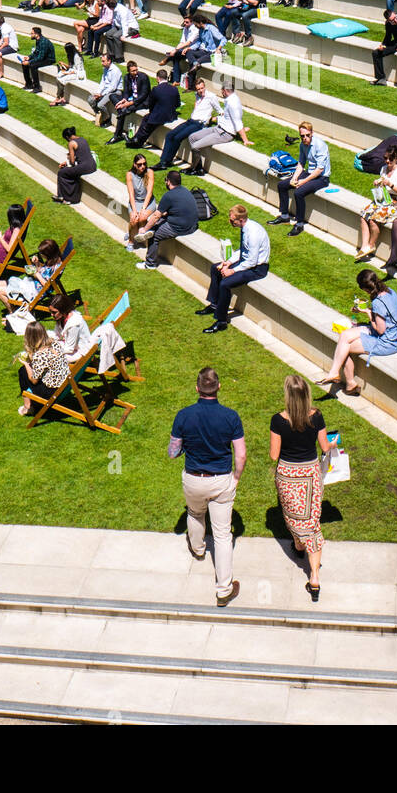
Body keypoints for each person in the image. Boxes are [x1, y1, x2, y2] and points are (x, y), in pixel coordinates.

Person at [168, 367, 244, 605]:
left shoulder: (183, 415)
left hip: (193, 478)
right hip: (221, 479)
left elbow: (173, 452)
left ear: (197, 388)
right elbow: (240, 455)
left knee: (194, 512)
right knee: (222, 535)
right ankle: (224, 589)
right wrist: (237, 477)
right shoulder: (231, 417)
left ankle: (198, 549)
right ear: (219, 387)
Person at [269, 374, 331, 600]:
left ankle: (298, 543)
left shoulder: (278, 420)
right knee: (312, 521)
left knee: (293, 517)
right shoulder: (317, 416)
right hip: (310, 475)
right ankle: (314, 575)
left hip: (288, 474)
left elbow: (274, 454)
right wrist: (332, 444)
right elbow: (324, 447)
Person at [320, 269, 397, 395]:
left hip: (386, 342)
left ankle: (350, 384)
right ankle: (334, 373)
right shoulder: (390, 291)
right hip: (392, 334)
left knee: (343, 348)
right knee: (344, 335)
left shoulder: (377, 303)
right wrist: (367, 311)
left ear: (366, 289)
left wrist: (368, 313)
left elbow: (380, 330)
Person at [198, 204, 270, 333]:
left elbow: (252, 261)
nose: (230, 222)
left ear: (241, 220)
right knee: (216, 268)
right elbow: (243, 250)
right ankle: (214, 305)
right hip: (247, 262)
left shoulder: (253, 233)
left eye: (232, 220)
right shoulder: (245, 227)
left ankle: (221, 321)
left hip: (257, 269)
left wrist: (232, 270)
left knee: (225, 283)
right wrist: (228, 262)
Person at [269, 121, 330, 236]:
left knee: (299, 192)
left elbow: (320, 170)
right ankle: (284, 216)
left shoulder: (320, 145)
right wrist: (295, 177)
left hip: (322, 178)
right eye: (302, 136)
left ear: (312, 133)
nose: (305, 138)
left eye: (307, 135)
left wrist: (303, 182)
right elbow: (301, 163)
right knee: (282, 185)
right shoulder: (302, 145)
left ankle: (299, 224)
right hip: (309, 174)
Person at [153, 76, 219, 170]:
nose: (200, 91)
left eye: (202, 88)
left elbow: (221, 111)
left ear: (205, 86)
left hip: (199, 124)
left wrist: (212, 119)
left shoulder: (212, 97)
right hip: (190, 121)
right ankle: (164, 161)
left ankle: (165, 162)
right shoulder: (197, 95)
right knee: (170, 135)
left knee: (177, 138)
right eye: (198, 89)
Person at [137, 168, 199, 269]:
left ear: (168, 182)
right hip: (193, 225)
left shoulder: (168, 196)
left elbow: (156, 216)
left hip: (181, 228)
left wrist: (145, 229)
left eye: (166, 180)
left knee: (153, 235)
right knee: (158, 221)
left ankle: (150, 264)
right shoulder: (186, 191)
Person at [357, 143, 397, 260]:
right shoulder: (383, 169)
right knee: (363, 215)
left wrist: (390, 184)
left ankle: (371, 245)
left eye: (391, 159)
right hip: (384, 199)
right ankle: (365, 246)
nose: (388, 161)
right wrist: (378, 182)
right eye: (386, 158)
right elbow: (382, 186)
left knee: (373, 220)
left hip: (396, 202)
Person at [186, 82, 250, 174]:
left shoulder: (233, 103)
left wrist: (245, 139)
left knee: (195, 146)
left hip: (225, 134)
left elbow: (237, 121)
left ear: (224, 91)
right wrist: (214, 119)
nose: (221, 93)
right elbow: (229, 117)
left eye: (222, 91)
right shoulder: (231, 99)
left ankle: (193, 168)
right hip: (218, 128)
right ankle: (198, 168)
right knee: (192, 137)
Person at [17, 322, 70, 417]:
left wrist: (26, 364)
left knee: (22, 371)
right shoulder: (55, 343)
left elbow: (34, 380)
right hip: (65, 384)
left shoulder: (40, 355)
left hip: (51, 392)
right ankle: (28, 404)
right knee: (27, 369)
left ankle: (27, 407)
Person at [126, 68, 180, 149]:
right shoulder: (174, 89)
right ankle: (136, 140)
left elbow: (151, 104)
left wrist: (152, 112)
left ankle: (136, 141)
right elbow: (177, 104)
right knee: (147, 120)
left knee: (147, 121)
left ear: (158, 78)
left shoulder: (156, 89)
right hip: (171, 115)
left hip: (160, 116)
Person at [54, 125, 97, 204]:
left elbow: (72, 162)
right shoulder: (83, 139)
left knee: (62, 173)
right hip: (92, 166)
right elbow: (82, 155)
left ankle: (64, 197)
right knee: (71, 173)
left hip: (84, 167)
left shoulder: (71, 143)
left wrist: (68, 158)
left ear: (67, 137)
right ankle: (71, 198)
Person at [125, 152, 155, 251]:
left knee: (142, 218)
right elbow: (131, 195)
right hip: (135, 201)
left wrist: (143, 208)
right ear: (134, 165)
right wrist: (134, 210)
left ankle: (133, 234)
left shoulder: (150, 172)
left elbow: (149, 193)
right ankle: (131, 240)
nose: (143, 166)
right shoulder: (129, 175)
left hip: (148, 201)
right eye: (139, 164)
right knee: (134, 219)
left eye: (144, 164)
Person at [50, 41, 86, 106]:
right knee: (58, 76)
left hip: (78, 75)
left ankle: (58, 98)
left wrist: (67, 73)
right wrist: (63, 64)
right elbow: (71, 67)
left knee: (60, 79)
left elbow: (79, 70)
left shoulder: (77, 57)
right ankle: (61, 97)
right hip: (71, 72)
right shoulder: (71, 55)